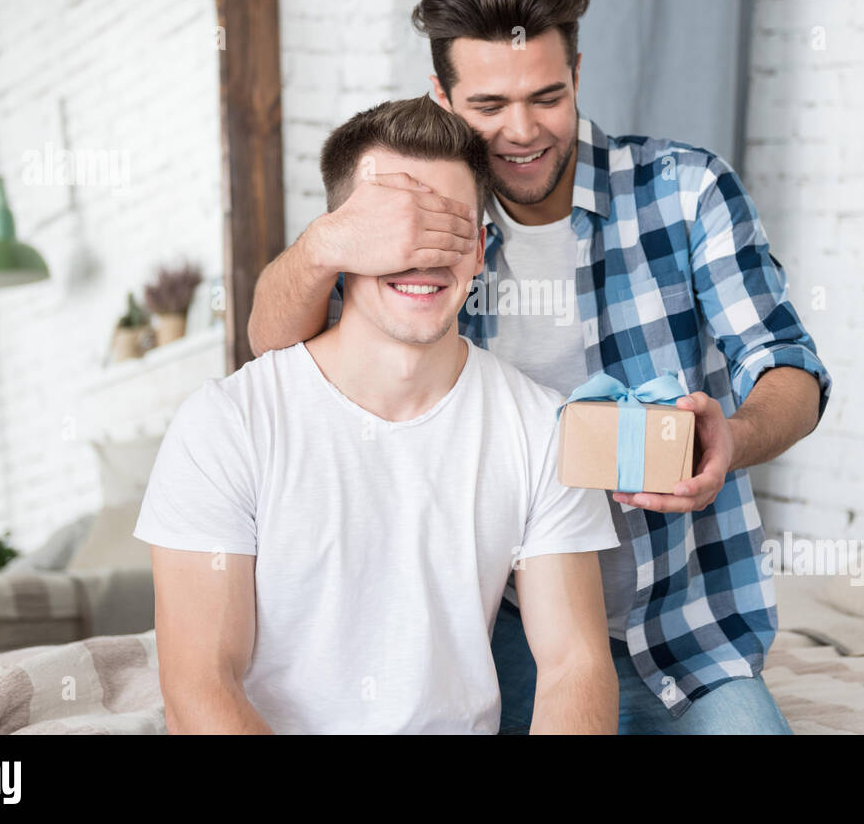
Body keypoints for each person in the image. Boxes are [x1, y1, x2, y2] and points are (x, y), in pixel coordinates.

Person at [246, 0, 833, 734]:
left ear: (579, 74)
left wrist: (734, 435)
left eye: (547, 96)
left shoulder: (686, 191)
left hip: (685, 631)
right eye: (488, 105)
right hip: (502, 630)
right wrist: (325, 242)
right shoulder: (428, 229)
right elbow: (273, 346)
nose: (521, 132)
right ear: (442, 95)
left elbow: (788, 365)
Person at [135, 96, 621, 734]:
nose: (419, 255)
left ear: (478, 250)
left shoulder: (539, 428)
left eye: (443, 229)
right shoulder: (227, 425)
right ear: (342, 242)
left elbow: (574, 667)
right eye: (393, 230)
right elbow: (200, 689)